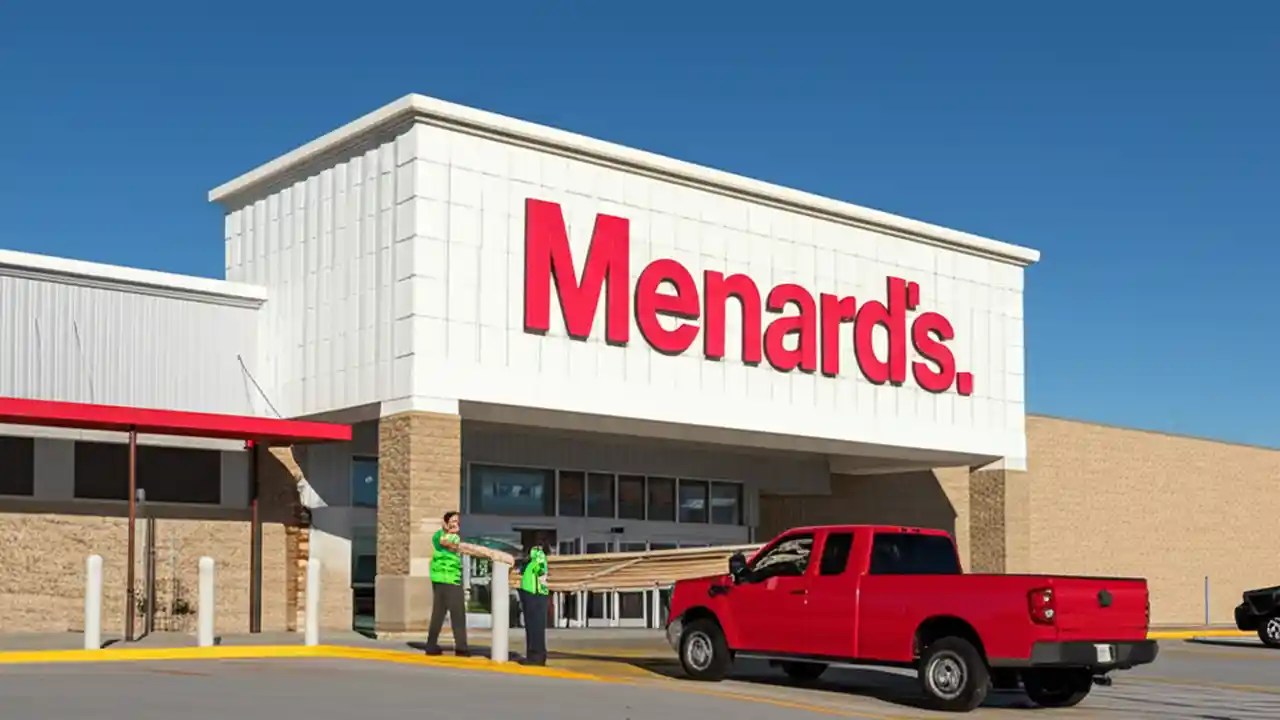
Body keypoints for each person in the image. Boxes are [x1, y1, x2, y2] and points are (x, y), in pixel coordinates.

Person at [424, 510, 468, 657]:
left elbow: (440, 541)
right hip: (450, 580)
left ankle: (431, 645)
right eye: (453, 521)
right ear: (445, 523)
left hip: (438, 580)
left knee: (438, 613)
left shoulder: (439, 536)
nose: (455, 524)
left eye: (457, 522)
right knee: (457, 614)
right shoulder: (451, 538)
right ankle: (461, 648)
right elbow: (447, 542)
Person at [517, 543, 550, 666]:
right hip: (530, 593)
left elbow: (541, 571)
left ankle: (537, 656)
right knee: (531, 626)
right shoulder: (530, 561)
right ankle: (532, 655)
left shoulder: (538, 556)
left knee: (535, 626)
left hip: (535, 594)